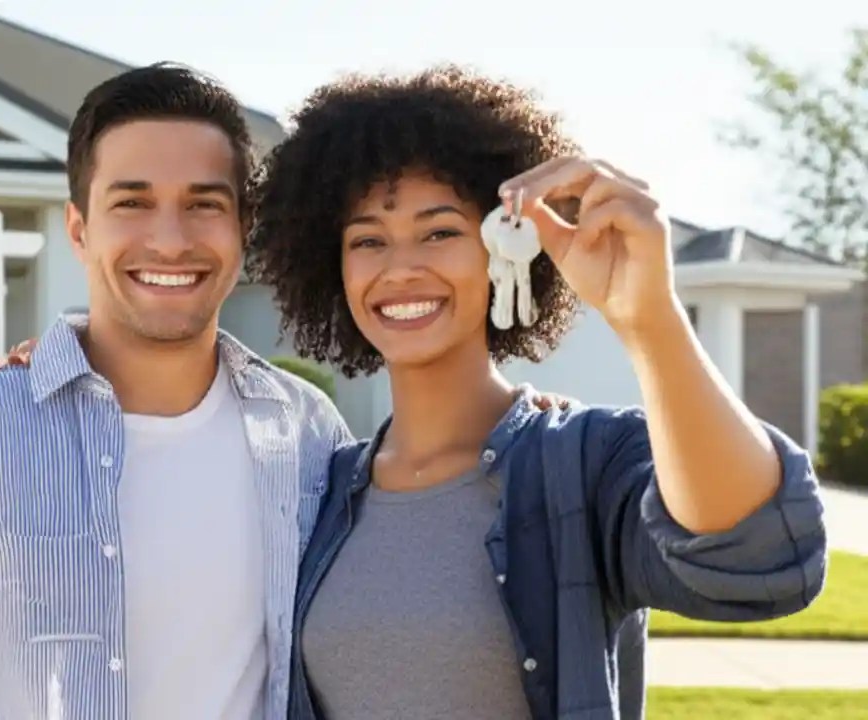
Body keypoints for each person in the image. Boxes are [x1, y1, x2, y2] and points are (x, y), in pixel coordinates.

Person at [0, 62, 355, 720]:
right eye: (132, 202)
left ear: (243, 229)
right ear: (79, 230)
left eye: (203, 204)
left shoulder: (308, 435)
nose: (170, 239)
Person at [242, 65, 827, 720]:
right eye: (368, 240)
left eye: (440, 231)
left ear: (506, 248)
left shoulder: (581, 466)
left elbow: (761, 555)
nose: (400, 267)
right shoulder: (318, 494)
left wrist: (649, 321)